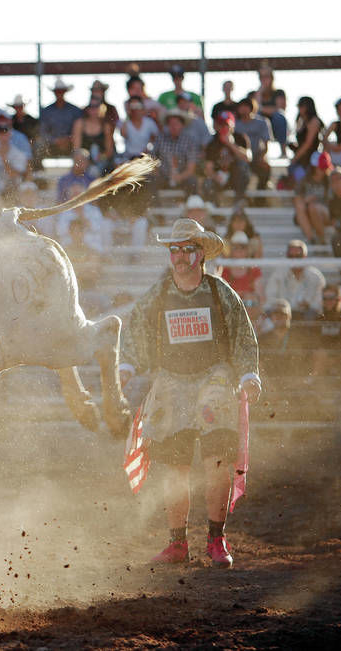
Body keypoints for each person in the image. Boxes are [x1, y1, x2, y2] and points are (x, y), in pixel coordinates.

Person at [119, 218, 260, 568]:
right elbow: (135, 331)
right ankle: (177, 543)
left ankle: (216, 538)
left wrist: (248, 374)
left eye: (187, 250)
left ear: (200, 254)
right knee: (174, 468)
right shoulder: (158, 294)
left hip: (214, 378)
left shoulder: (219, 292)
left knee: (216, 461)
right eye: (175, 250)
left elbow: (242, 333)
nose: (180, 256)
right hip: (171, 381)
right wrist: (127, 368)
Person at [264, 239, 326, 321]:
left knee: (313, 315)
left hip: (306, 316)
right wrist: (282, 306)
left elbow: (320, 303)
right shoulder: (278, 274)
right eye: (291, 256)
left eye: (298, 256)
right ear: (287, 257)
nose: (294, 260)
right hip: (283, 315)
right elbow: (270, 298)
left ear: (305, 257)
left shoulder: (316, 277)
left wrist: (309, 305)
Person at [201, 111, 251, 206]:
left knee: (242, 166)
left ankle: (239, 202)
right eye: (221, 125)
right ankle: (216, 213)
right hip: (219, 178)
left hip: (236, 177)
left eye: (226, 125)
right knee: (207, 183)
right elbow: (208, 167)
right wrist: (215, 176)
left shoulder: (240, 138)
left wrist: (230, 144)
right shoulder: (212, 143)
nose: (223, 128)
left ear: (232, 125)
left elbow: (247, 158)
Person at [151, 107, 199, 195]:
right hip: (163, 176)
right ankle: (154, 207)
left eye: (176, 124)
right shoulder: (160, 139)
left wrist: (179, 177)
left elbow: (191, 168)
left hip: (183, 177)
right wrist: (157, 173)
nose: (173, 127)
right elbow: (152, 161)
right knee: (150, 179)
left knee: (192, 181)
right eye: (171, 124)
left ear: (182, 125)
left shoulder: (189, 141)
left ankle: (190, 205)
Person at [232, 95, 272, 190]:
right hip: (240, 158)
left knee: (265, 169)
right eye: (241, 106)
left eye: (246, 106)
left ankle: (260, 198)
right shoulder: (234, 124)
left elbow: (266, 144)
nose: (243, 109)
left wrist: (261, 157)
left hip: (257, 157)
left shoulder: (262, 122)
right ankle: (241, 197)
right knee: (241, 168)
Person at [293, 151, 333, 244]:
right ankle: (312, 239)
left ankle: (322, 239)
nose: (323, 170)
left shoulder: (329, 180)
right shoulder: (304, 180)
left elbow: (332, 202)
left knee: (313, 207)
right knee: (300, 203)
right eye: (321, 167)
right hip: (307, 214)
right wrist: (306, 200)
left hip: (325, 212)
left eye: (325, 168)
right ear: (314, 167)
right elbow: (297, 199)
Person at [40, 77, 83, 158]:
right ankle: (38, 170)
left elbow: (79, 131)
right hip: (51, 146)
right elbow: (43, 132)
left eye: (61, 91)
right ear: (54, 92)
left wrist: (68, 139)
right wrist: (55, 140)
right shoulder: (46, 111)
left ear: (65, 92)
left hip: (71, 145)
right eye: (57, 91)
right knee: (39, 145)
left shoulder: (75, 110)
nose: (59, 93)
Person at [72, 99, 115, 175]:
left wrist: (101, 157)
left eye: (96, 107)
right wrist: (85, 160)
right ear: (87, 109)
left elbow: (109, 151)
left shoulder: (106, 125)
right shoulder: (80, 123)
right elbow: (76, 149)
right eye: (91, 107)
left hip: (101, 163)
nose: (94, 110)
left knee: (96, 170)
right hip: (83, 161)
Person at [288, 96, 323, 183]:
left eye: (302, 106)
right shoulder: (301, 121)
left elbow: (308, 143)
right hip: (301, 158)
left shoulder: (314, 121)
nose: (300, 109)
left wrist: (295, 158)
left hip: (310, 160)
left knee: (300, 178)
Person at [119, 96, 159, 160]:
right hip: (129, 158)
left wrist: (149, 148)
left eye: (138, 105)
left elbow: (156, 138)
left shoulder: (149, 122)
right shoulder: (126, 123)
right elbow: (123, 134)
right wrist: (127, 113)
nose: (135, 109)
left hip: (146, 157)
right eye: (132, 106)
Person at [324, 95, 341, 170]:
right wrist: (332, 147)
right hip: (337, 157)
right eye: (338, 109)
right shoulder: (335, 124)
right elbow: (324, 139)